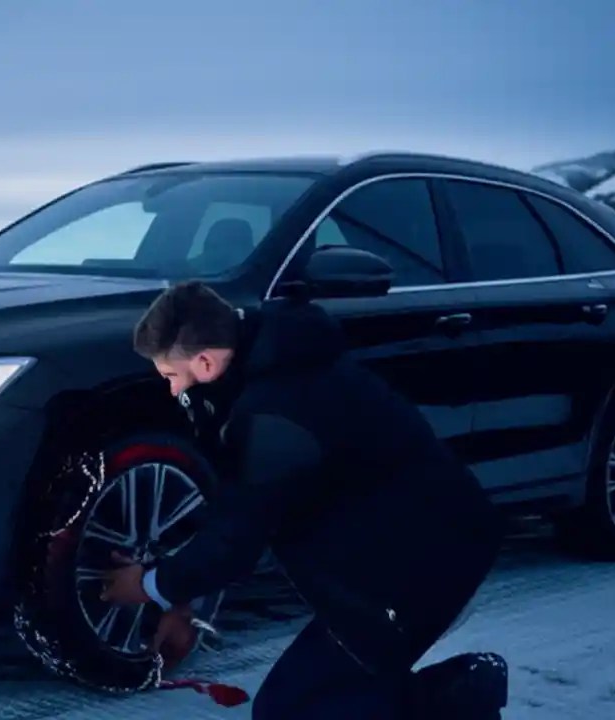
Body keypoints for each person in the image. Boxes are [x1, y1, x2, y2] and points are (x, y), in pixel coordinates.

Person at [101, 280, 508, 719]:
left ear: (204, 361)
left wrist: (148, 586)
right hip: (393, 548)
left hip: (423, 562)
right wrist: (176, 596)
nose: (170, 391)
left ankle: (466, 692)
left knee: (294, 711)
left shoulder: (276, 412)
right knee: (315, 697)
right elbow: (237, 502)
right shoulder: (270, 361)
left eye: (170, 376)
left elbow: (236, 539)